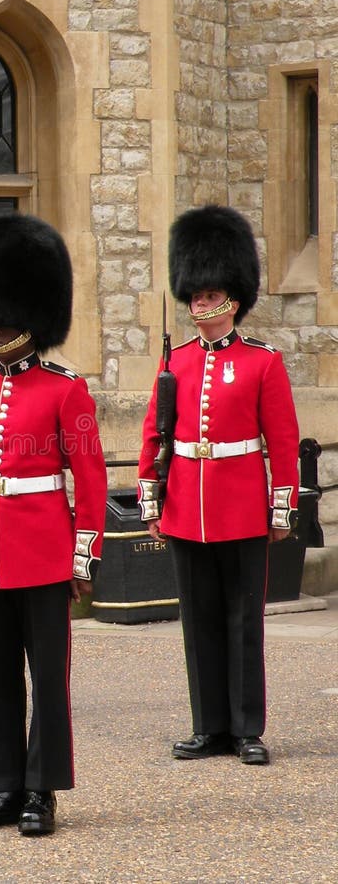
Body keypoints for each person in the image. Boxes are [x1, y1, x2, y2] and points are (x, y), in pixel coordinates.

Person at [0, 213, 107, 835]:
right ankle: (3, 785)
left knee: (48, 679)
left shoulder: (68, 392)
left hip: (43, 552)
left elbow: (88, 478)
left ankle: (43, 789)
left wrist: (83, 553)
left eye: (6, 315)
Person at [138, 205, 299, 766]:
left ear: (232, 298)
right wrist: (151, 497)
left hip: (242, 508)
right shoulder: (176, 363)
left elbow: (281, 441)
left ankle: (247, 727)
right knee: (199, 619)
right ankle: (208, 725)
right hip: (187, 505)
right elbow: (154, 437)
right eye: (196, 297)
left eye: (209, 296)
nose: (200, 305)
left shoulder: (262, 363)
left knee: (242, 619)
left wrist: (281, 510)